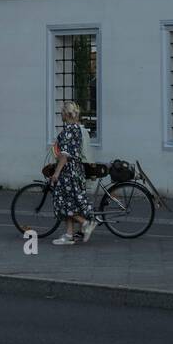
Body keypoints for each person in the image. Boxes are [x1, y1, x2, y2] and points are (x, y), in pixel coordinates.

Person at [49, 101, 97, 245]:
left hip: (68, 171)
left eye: (62, 112)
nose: (61, 114)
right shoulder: (77, 128)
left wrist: (56, 173)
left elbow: (65, 155)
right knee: (69, 201)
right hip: (76, 169)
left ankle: (86, 224)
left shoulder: (69, 131)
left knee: (65, 202)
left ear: (66, 114)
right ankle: (69, 235)